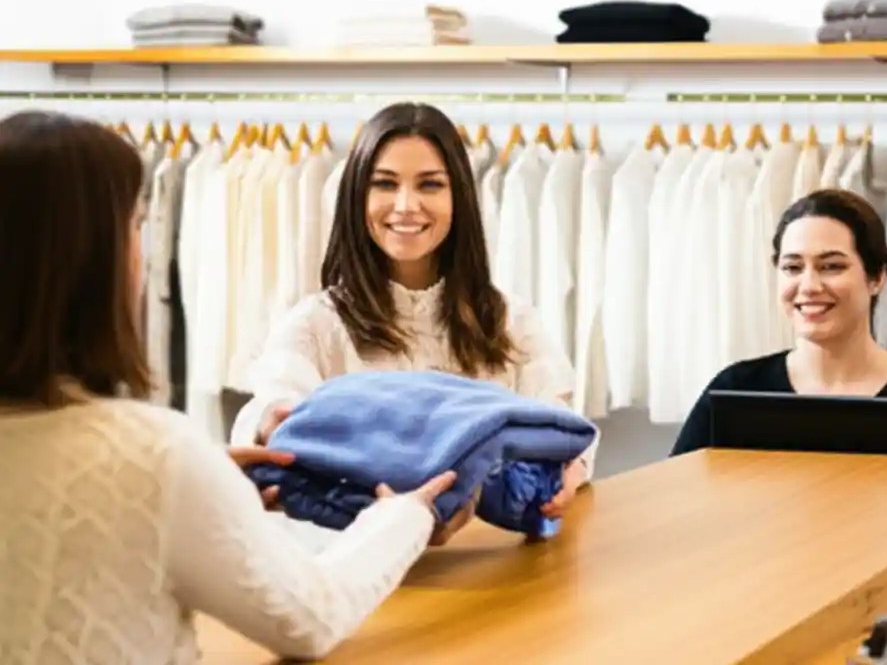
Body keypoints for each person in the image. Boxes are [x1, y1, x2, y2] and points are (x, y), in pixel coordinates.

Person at [0, 110, 473, 662]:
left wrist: (202, 483)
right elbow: (310, 618)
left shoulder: (157, 460)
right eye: (135, 226)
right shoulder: (154, 453)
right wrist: (403, 518)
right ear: (92, 261)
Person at [229, 102, 593, 517]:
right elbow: (271, 407)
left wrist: (572, 467)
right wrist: (269, 424)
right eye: (385, 184)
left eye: (429, 185)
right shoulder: (316, 324)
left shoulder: (510, 321)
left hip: (486, 551)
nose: (405, 205)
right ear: (357, 197)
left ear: (458, 197)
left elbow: (562, 423)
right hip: (354, 547)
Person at [670, 188, 887, 456]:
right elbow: (679, 495)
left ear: (877, 277)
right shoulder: (736, 392)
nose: (809, 286)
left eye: (831, 266)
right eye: (792, 267)